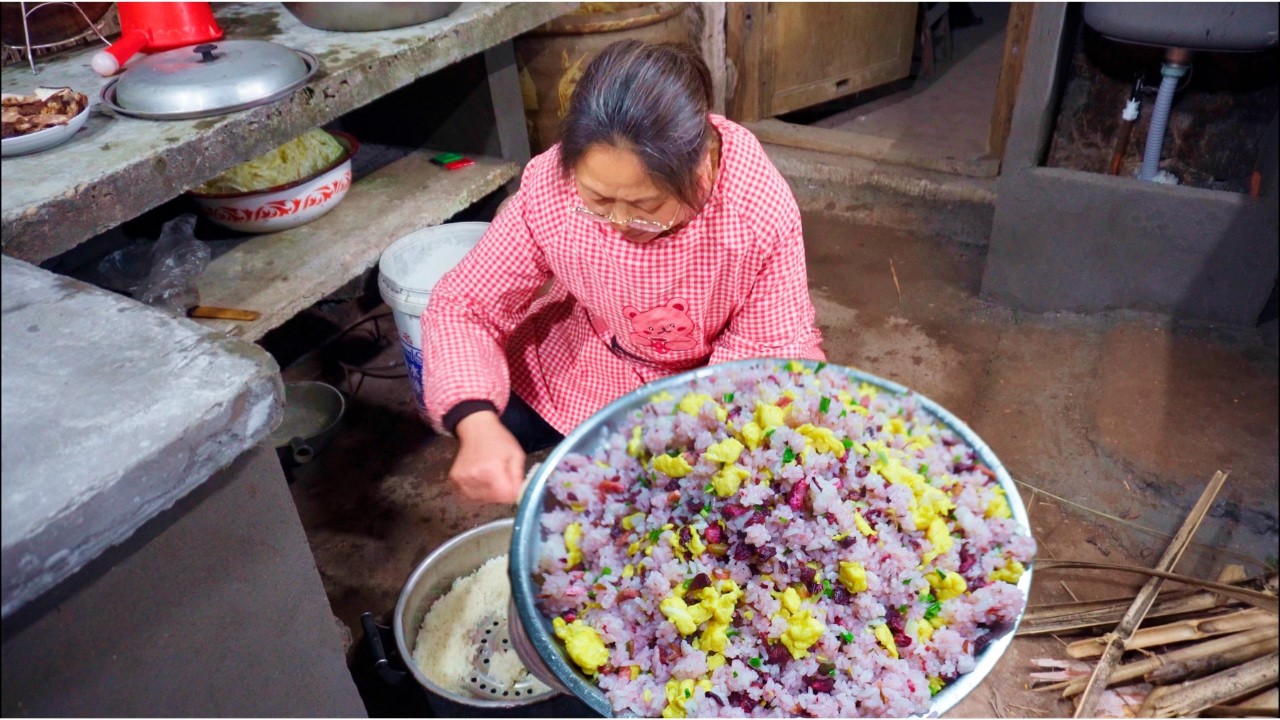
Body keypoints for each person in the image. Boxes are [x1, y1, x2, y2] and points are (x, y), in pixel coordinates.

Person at [421, 40, 825, 504]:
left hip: (709, 376)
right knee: (481, 413)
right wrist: (476, 424)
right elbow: (467, 304)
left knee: (738, 485)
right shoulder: (553, 187)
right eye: (598, 201)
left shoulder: (754, 210)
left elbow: (765, 350)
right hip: (593, 355)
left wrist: (701, 435)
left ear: (699, 169)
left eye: (645, 206)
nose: (617, 223)